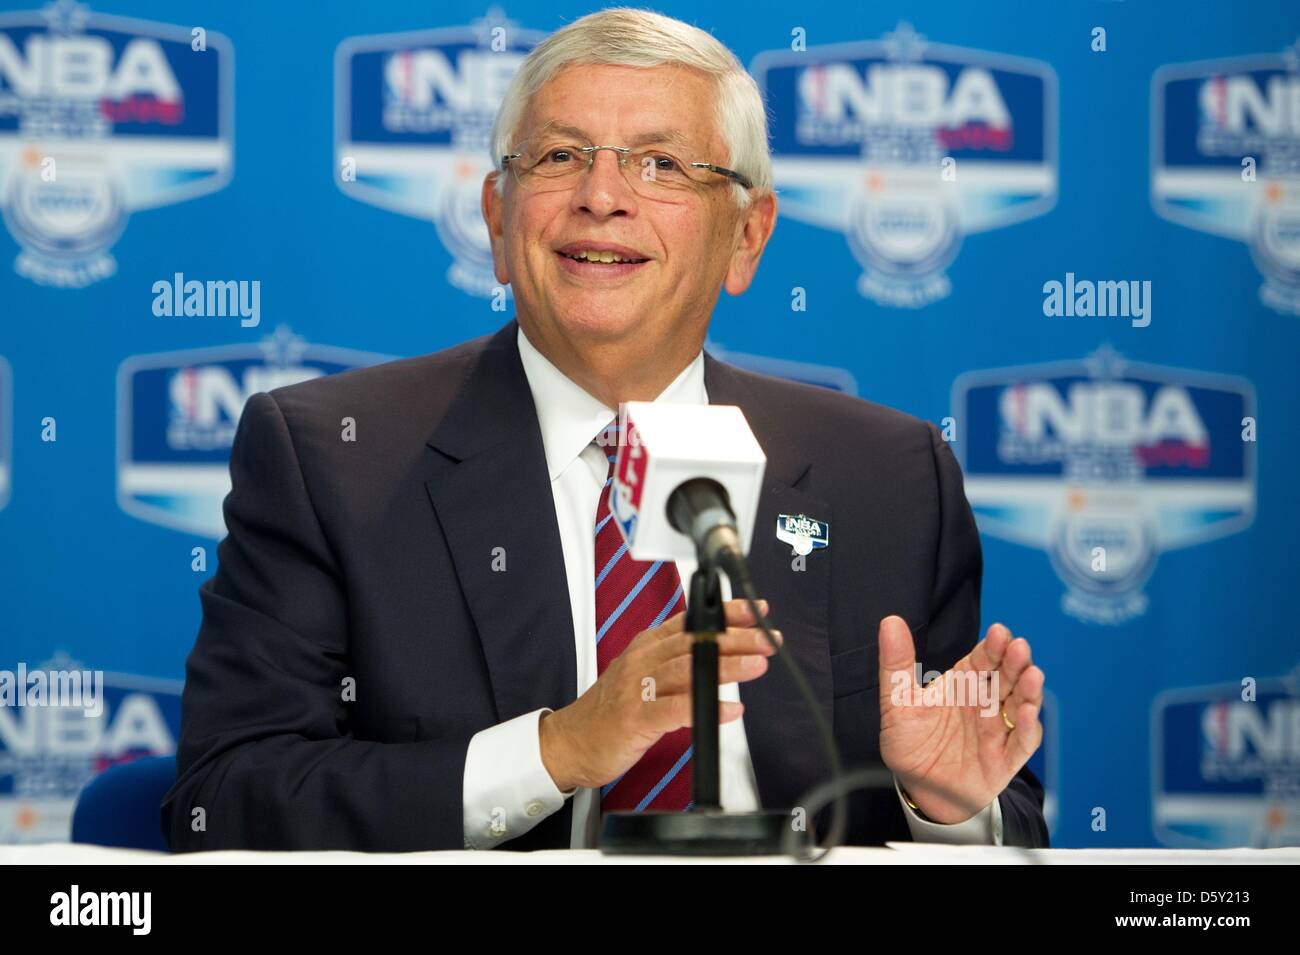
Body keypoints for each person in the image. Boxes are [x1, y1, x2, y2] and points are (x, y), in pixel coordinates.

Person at [163, 8, 1048, 852]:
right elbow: (225, 795)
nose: (602, 196)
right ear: (500, 221)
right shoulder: (334, 458)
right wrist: (557, 750)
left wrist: (943, 807)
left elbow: (1000, 810)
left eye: (661, 164)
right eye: (559, 155)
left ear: (748, 236)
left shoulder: (886, 476)